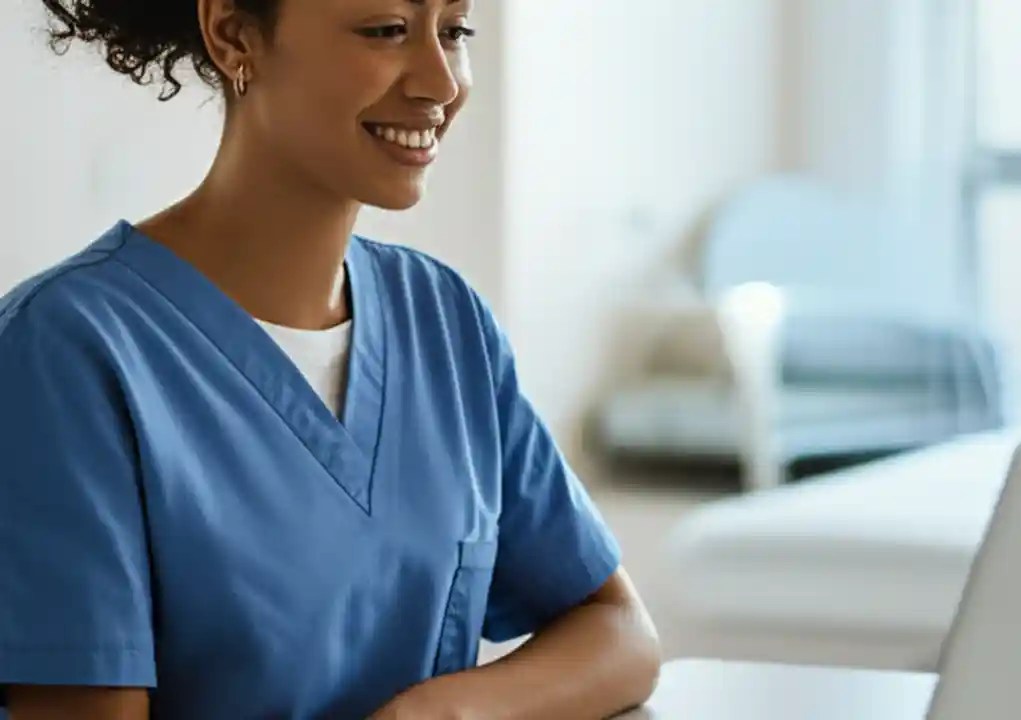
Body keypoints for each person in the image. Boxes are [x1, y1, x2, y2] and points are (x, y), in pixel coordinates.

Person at [0, 0, 661, 717]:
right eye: (386, 31)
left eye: (455, 32)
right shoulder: (68, 350)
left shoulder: (443, 318)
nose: (441, 83)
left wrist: (441, 712)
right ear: (231, 33)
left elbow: (618, 630)